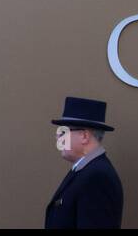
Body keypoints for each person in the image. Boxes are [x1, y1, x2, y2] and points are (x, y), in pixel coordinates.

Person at [44, 96, 123, 229]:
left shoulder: (97, 178)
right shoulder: (85, 171)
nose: (58, 136)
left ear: (84, 136)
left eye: (63, 131)